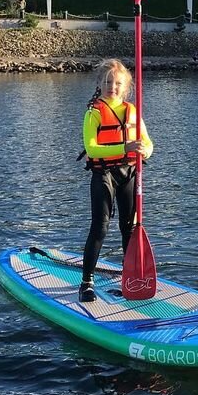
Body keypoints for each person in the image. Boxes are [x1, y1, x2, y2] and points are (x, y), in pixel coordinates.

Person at [78, 58, 154, 302]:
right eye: (108, 82)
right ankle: (86, 282)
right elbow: (92, 149)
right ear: (100, 84)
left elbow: (148, 143)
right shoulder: (94, 112)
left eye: (118, 83)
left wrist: (145, 151)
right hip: (104, 175)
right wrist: (125, 146)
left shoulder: (133, 111)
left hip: (129, 173)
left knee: (129, 229)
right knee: (100, 227)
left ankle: (128, 277)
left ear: (127, 86)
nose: (113, 86)